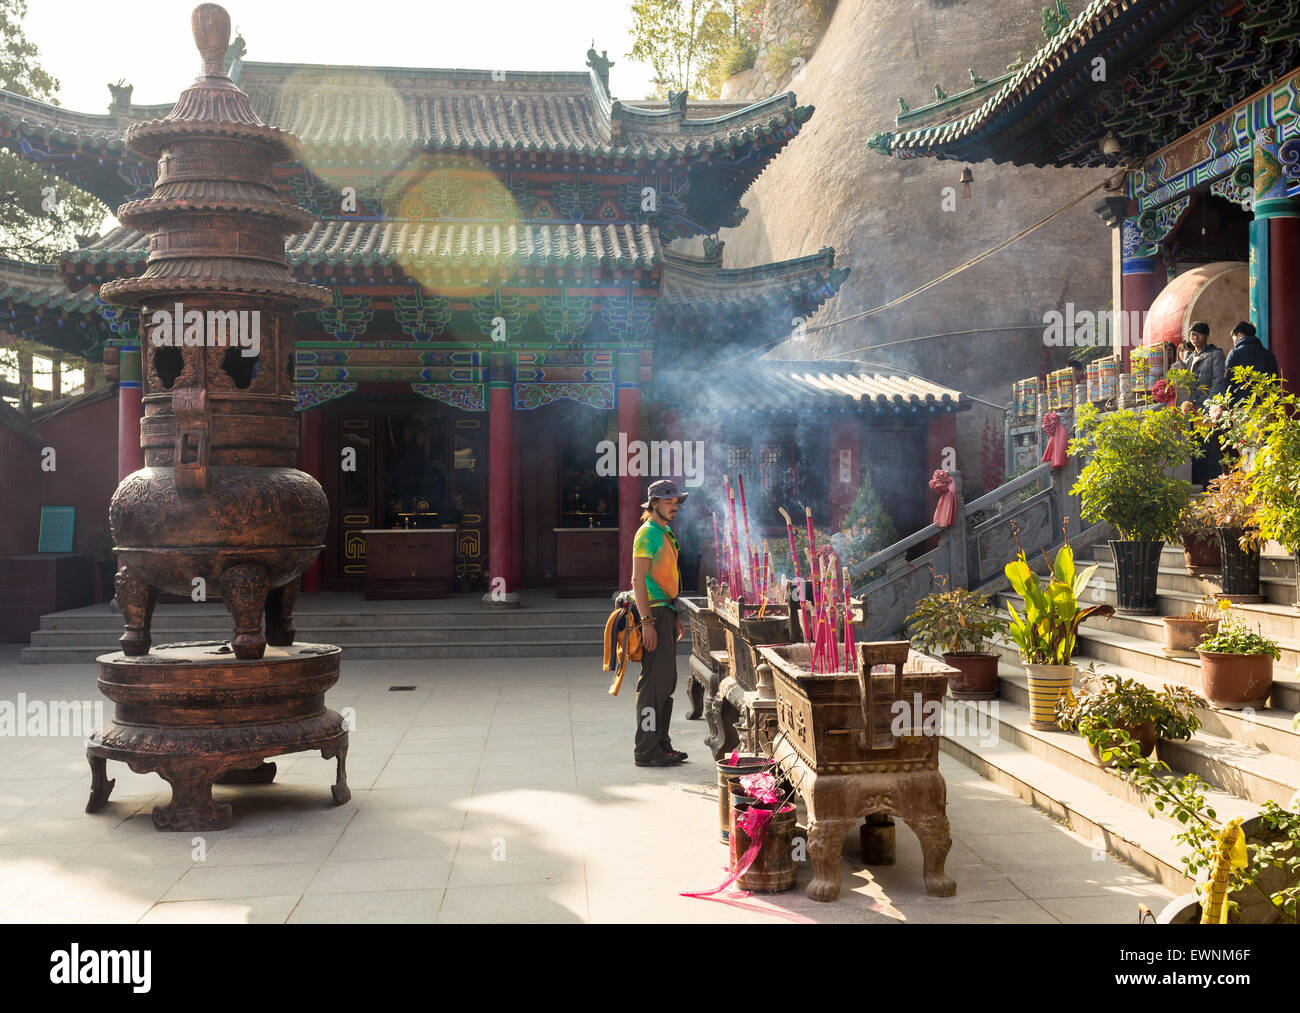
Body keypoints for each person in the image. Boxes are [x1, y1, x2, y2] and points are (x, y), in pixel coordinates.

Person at [631, 479, 688, 767]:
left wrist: (674, 615)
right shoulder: (647, 534)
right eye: (669, 501)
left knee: (667, 683)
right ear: (654, 504)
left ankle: (662, 744)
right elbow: (637, 580)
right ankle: (646, 749)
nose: (674, 506)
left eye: (676, 501)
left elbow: (666, 579)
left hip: (665, 611)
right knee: (653, 684)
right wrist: (647, 622)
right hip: (652, 613)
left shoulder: (664, 532)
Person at [1186, 322, 1226, 487]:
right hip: (1191, 409)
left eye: (1198, 334)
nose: (1195, 338)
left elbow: (1217, 383)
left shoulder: (1215, 354)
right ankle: (1203, 485)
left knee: (1210, 448)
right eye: (1192, 335)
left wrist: (1210, 406)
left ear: (1206, 336)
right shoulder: (1189, 358)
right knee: (1196, 449)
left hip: (1206, 409)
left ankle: (1215, 486)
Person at [1223, 320, 1279, 402]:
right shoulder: (1269, 354)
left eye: (1233, 338)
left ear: (1240, 335)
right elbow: (1274, 382)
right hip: (1264, 405)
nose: (1234, 342)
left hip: (1241, 404)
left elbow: (1227, 381)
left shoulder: (1235, 353)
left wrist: (1226, 402)